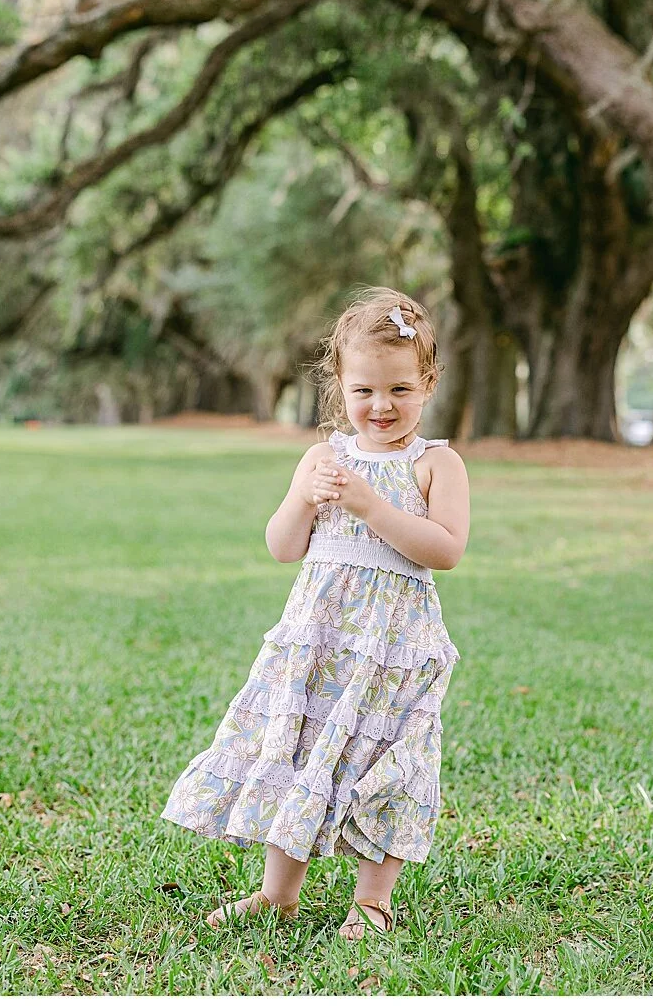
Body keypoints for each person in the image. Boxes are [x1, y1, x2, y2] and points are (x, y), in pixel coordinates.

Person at [160, 287, 470, 941]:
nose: (381, 405)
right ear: (340, 384)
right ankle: (277, 894)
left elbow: (445, 549)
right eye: (364, 390)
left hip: (391, 650)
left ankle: (373, 900)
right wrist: (303, 497)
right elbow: (282, 546)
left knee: (386, 764)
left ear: (428, 383)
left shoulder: (435, 463)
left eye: (399, 390)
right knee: (298, 755)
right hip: (319, 645)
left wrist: (369, 506)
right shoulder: (323, 458)